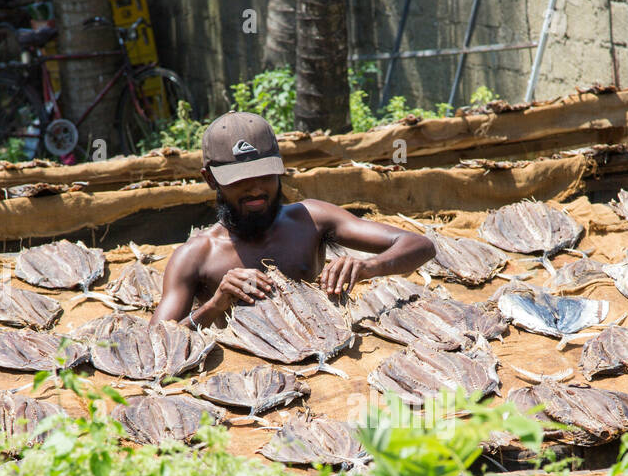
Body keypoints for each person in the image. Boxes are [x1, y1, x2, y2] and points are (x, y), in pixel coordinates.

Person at [151, 112, 436, 329]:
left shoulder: (311, 218)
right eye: (240, 180)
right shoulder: (195, 256)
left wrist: (368, 266)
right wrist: (215, 305)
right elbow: (157, 341)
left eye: (265, 175)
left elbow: (419, 245)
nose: (256, 189)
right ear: (210, 179)